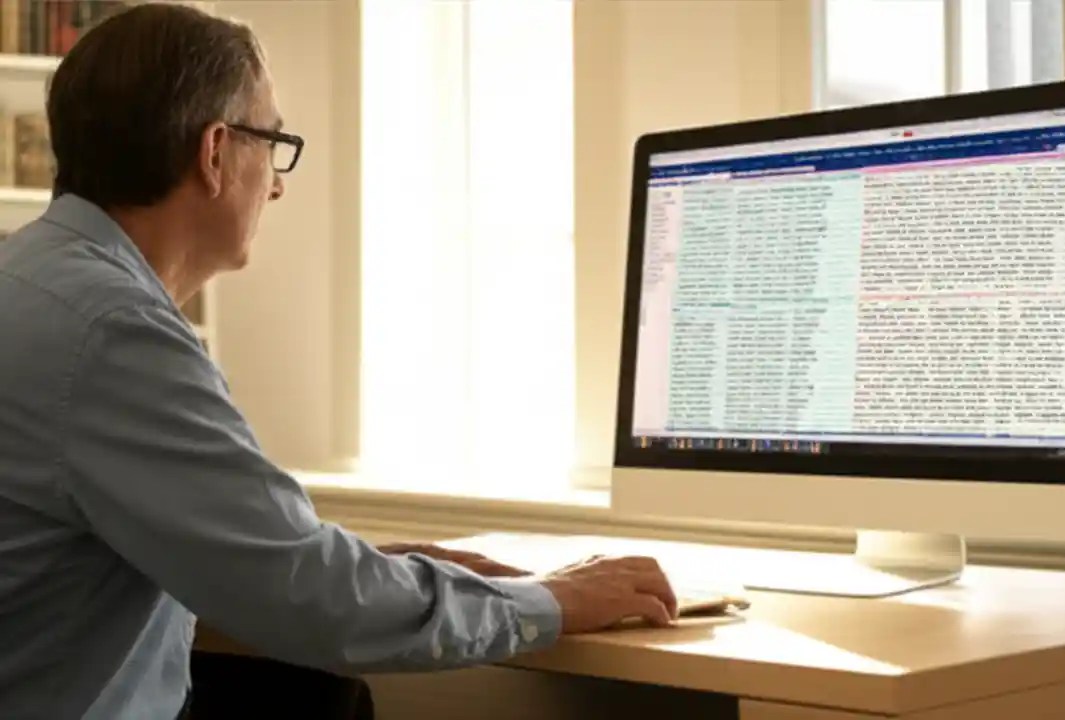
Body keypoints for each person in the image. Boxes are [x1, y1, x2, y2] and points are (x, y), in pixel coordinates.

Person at [0, 4, 678, 719]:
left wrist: (377, 569)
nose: (278, 184)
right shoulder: (117, 334)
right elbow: (309, 597)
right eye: (274, 144)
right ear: (216, 152)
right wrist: (552, 600)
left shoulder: (31, 278)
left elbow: (239, 562)